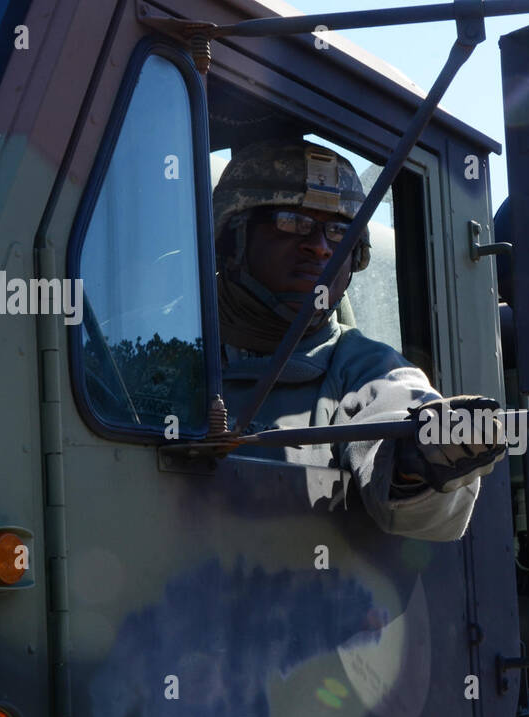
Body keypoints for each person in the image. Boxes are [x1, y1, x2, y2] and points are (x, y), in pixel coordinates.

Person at [212, 137, 505, 542]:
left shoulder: (368, 369)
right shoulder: (158, 339)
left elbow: (395, 415)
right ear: (233, 241)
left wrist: (417, 458)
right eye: (292, 222)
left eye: (338, 232)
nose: (319, 248)